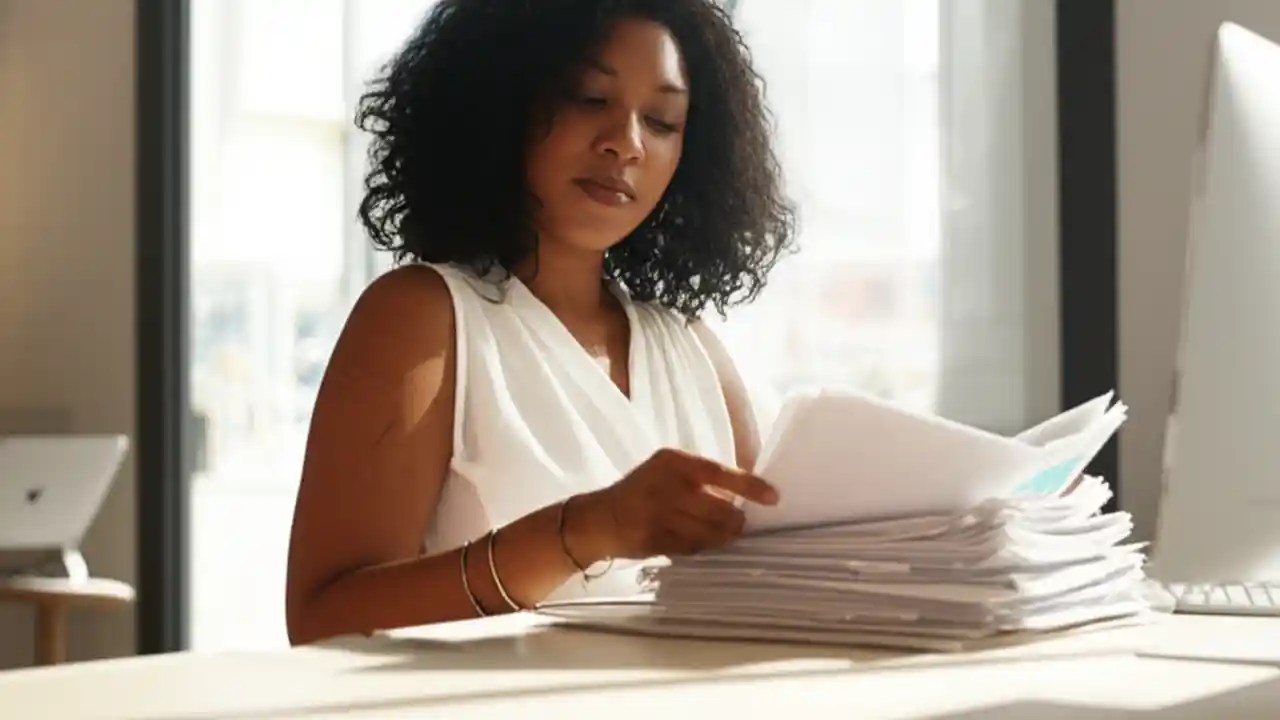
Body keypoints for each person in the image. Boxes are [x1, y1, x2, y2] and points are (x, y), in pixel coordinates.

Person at [285, 0, 795, 646]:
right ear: (502, 99)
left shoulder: (694, 353)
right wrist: (586, 529)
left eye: (662, 120)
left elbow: (782, 588)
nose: (627, 143)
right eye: (589, 97)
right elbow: (320, 619)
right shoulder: (422, 320)